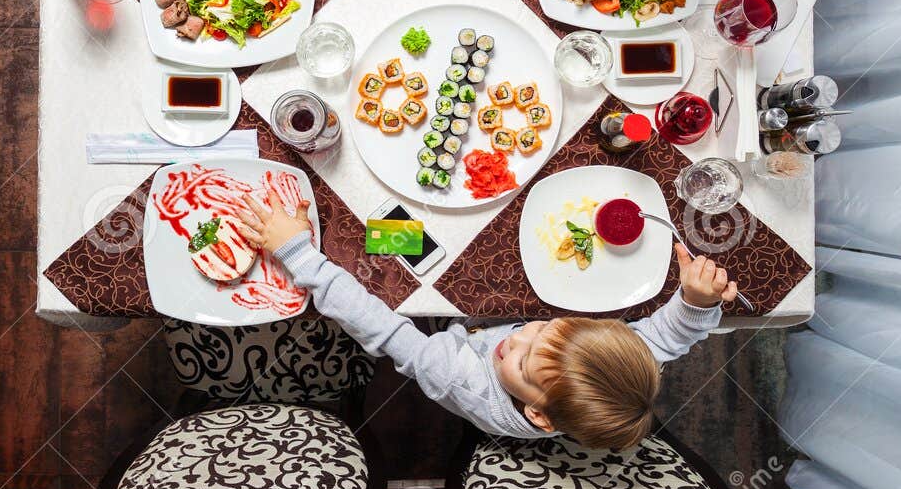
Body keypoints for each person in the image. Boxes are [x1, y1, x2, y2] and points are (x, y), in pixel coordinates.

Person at [240, 192, 741, 449]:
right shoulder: (617, 362)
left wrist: (300, 255)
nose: (517, 340)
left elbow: (383, 328)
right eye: (544, 330)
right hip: (493, 332)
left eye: (522, 365)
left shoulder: (456, 377)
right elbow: (667, 337)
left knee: (395, 261)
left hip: (453, 342)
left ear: (539, 417)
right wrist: (696, 302)